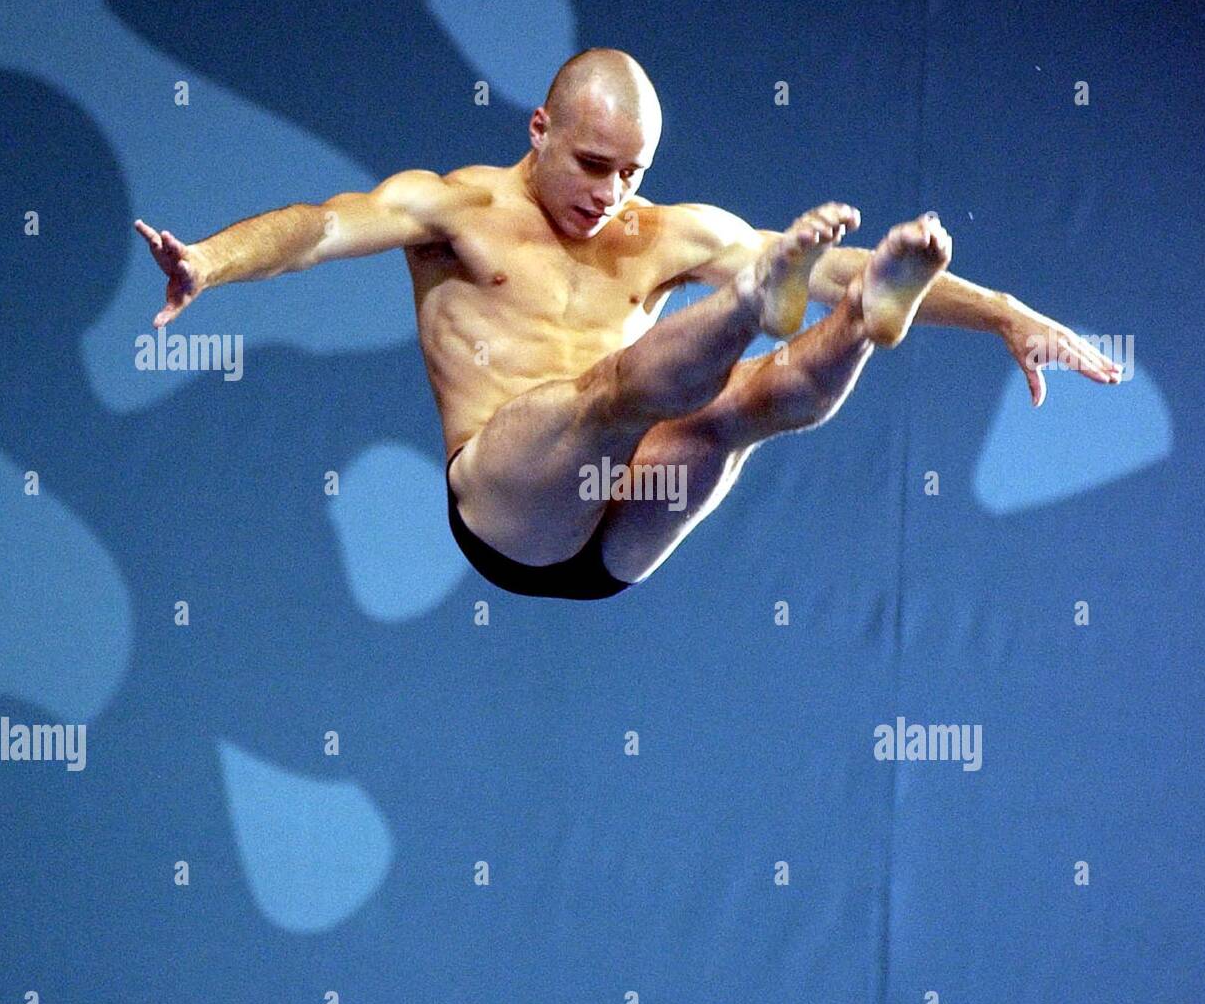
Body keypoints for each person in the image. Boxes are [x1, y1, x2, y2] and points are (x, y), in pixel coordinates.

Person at [135, 48, 1121, 601]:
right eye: (594, 164)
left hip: (621, 538)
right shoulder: (453, 208)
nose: (612, 194)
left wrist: (1001, 313)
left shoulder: (666, 229)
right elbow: (316, 228)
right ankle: (747, 304)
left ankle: (861, 328)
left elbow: (850, 255)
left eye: (633, 173)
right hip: (508, 504)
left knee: (749, 404)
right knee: (609, 394)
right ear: (540, 129)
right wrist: (209, 262)